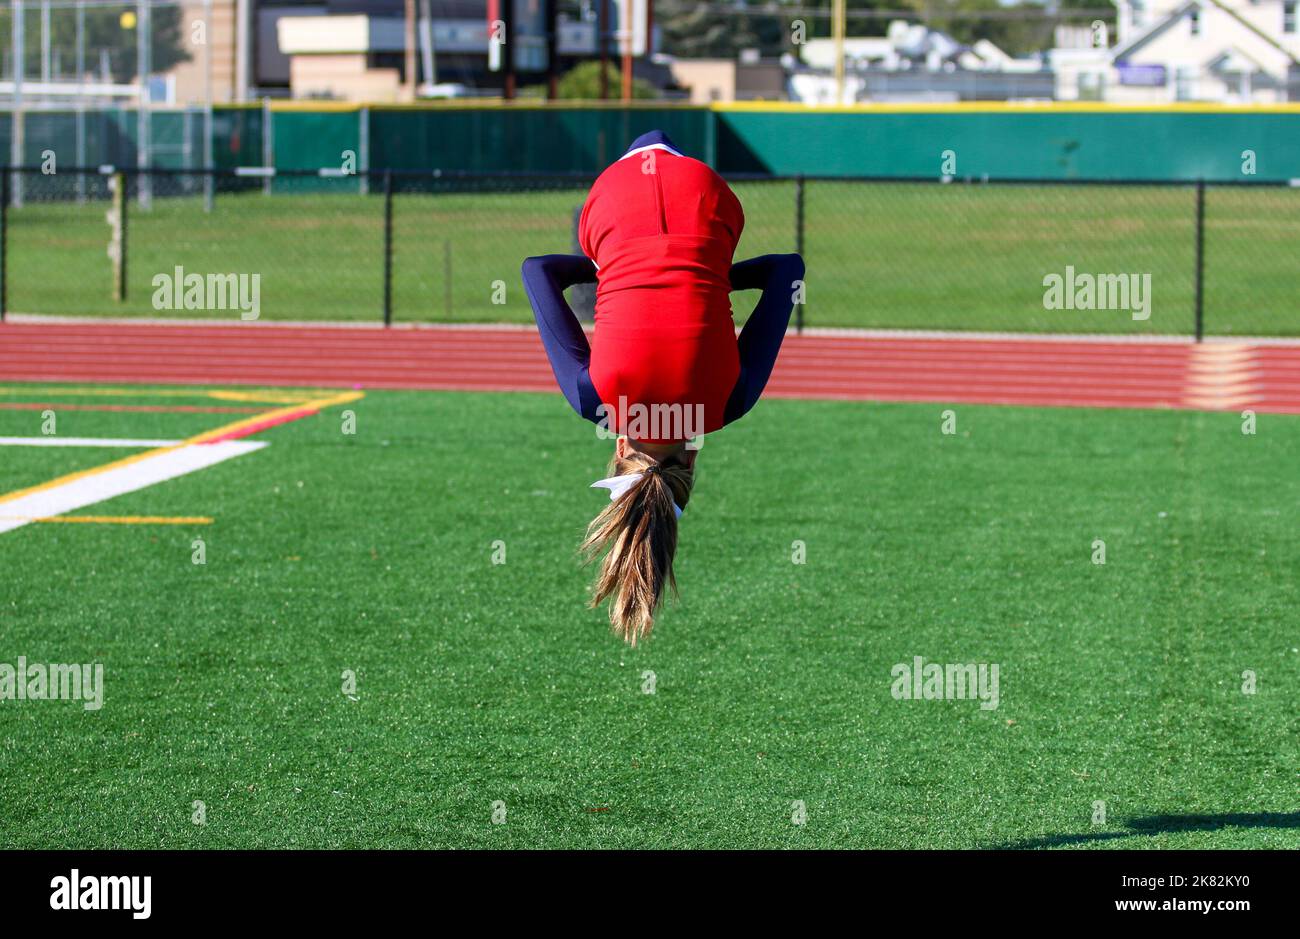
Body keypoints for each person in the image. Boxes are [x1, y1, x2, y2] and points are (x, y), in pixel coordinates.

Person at [521, 130, 804, 643]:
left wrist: (704, 271)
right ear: (621, 446)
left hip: (707, 196)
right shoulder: (596, 402)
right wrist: (619, 266)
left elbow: (787, 271)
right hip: (613, 199)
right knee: (645, 146)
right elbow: (537, 272)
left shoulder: (728, 403)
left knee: (664, 148)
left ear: (692, 458)